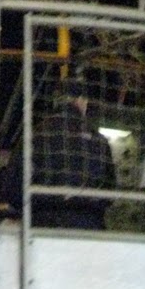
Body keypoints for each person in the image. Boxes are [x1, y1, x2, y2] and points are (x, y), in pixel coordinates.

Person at [31, 78, 116, 229]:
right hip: (89, 226)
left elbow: (14, 190)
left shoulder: (36, 135)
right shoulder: (99, 141)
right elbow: (110, 193)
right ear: (81, 101)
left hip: (44, 227)